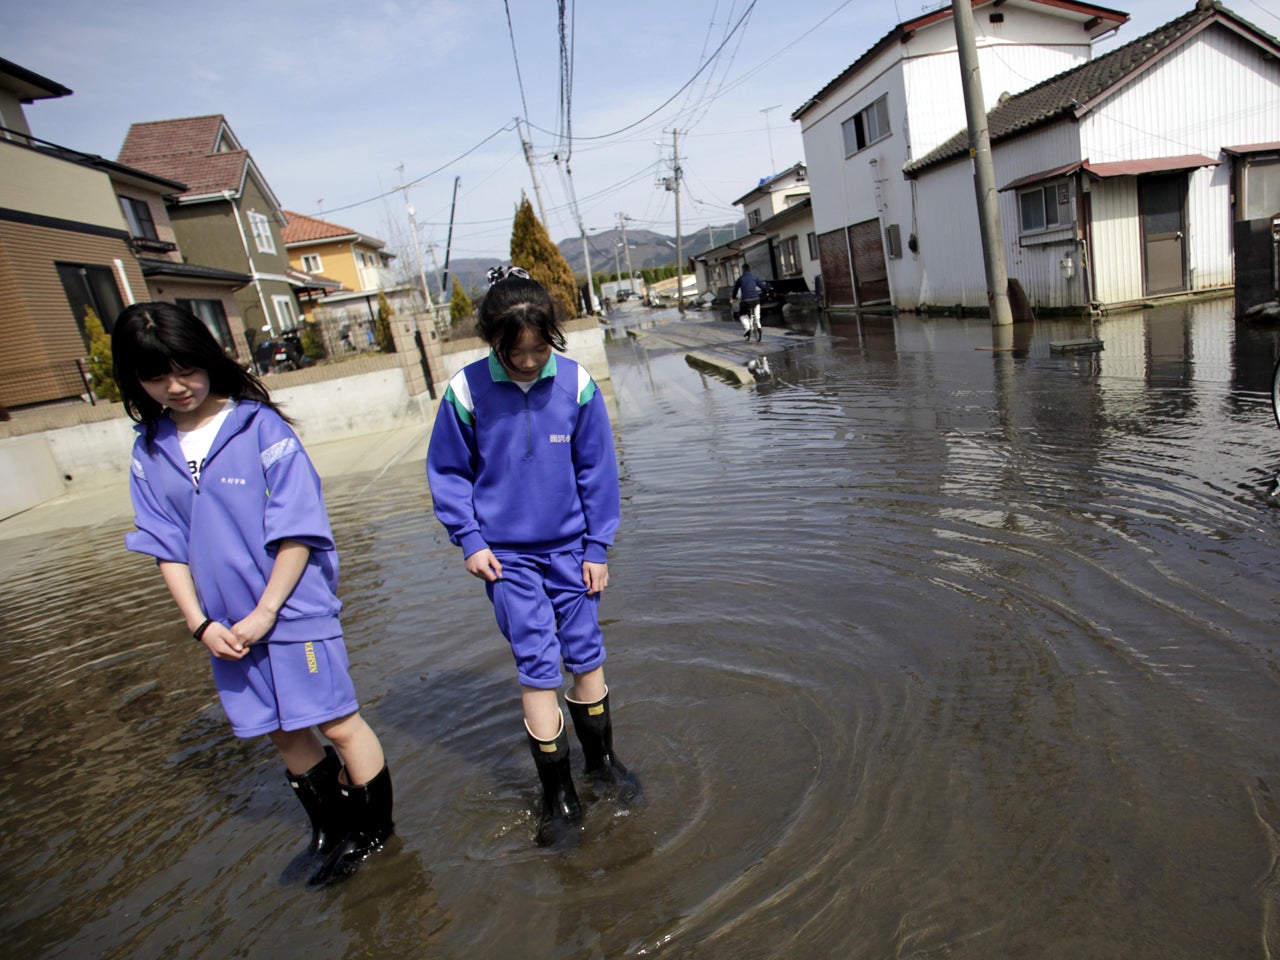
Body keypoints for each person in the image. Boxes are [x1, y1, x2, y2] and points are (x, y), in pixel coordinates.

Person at [111, 301, 393, 887]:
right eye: (157, 376)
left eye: (186, 368)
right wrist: (200, 625)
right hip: (226, 627)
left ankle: (373, 835)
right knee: (282, 729)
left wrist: (268, 611)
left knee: (337, 723)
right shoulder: (149, 450)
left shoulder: (260, 427)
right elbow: (168, 547)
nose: (176, 385)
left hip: (290, 611)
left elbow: (297, 527)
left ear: (209, 358)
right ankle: (330, 827)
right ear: (136, 381)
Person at [426, 266, 636, 843]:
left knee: (586, 653)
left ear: (553, 336)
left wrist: (598, 546)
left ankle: (603, 765)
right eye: (515, 350)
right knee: (537, 665)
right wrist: (468, 538)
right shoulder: (467, 392)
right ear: (494, 340)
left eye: (539, 348)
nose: (527, 361)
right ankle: (559, 796)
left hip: (573, 549)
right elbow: (448, 472)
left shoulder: (576, 385)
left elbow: (597, 471)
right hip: (507, 558)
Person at [731, 263, 763, 341]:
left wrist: (734, 297)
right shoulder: (754, 277)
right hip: (756, 300)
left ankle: (747, 328)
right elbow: (762, 286)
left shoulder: (740, 279)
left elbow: (735, 290)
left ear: (743, 270)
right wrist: (765, 292)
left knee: (742, 314)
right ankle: (759, 325)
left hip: (746, 301)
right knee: (757, 314)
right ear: (749, 269)